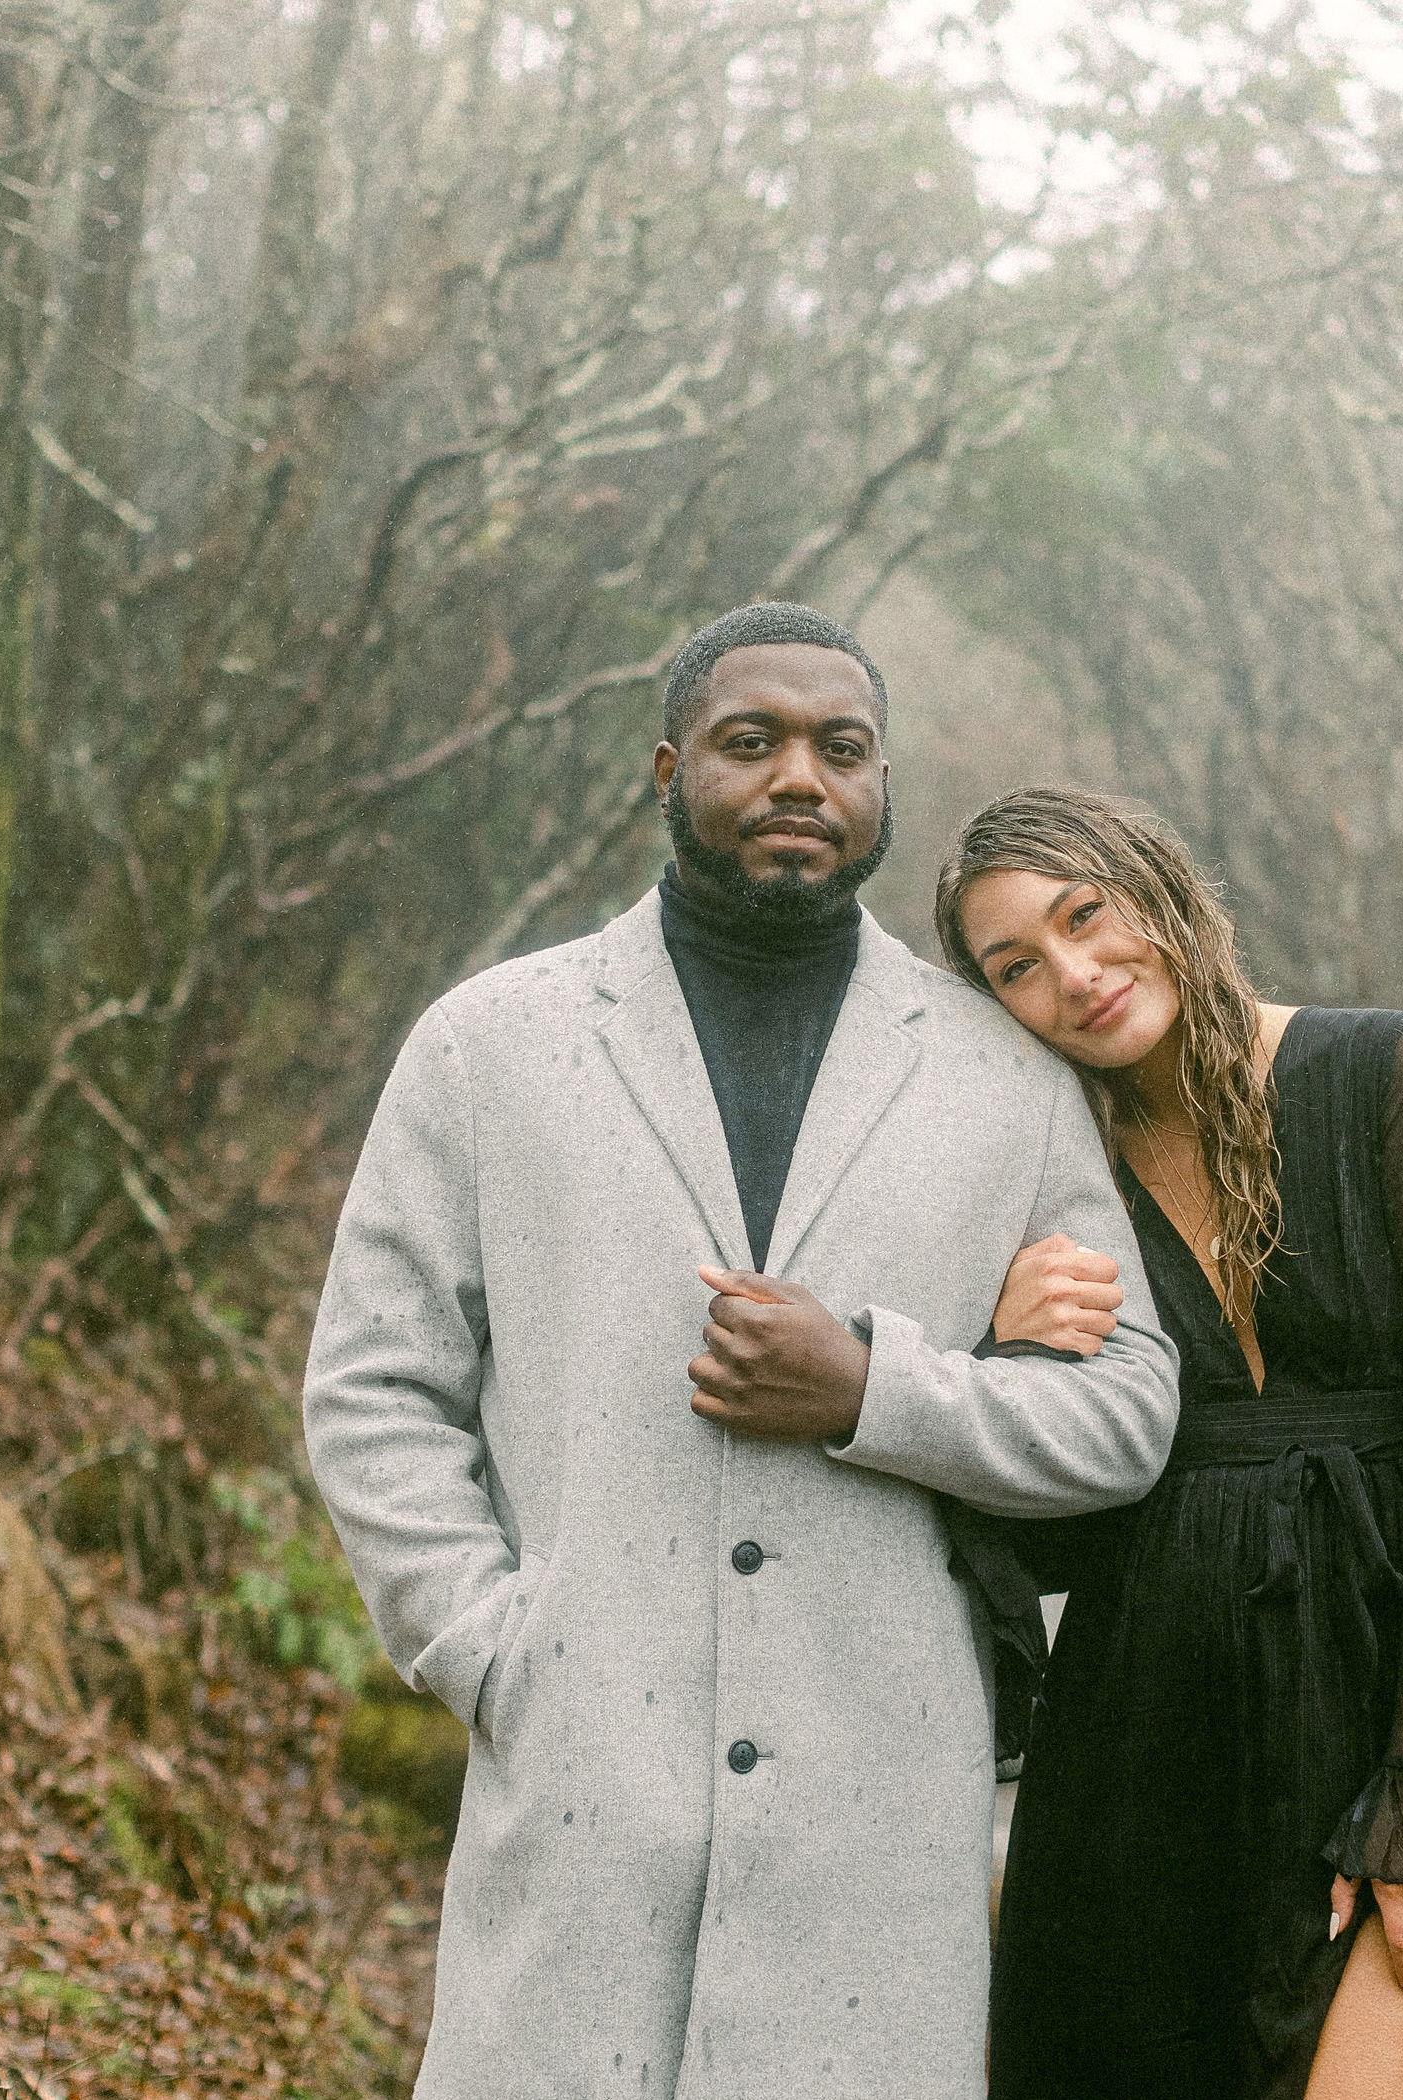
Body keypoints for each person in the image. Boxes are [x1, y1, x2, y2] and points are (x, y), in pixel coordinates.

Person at [301, 610, 1180, 2099]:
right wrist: (494, 1653)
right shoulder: (490, 1044)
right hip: (581, 1787)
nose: (798, 778)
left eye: (841, 749)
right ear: (669, 771)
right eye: (750, 741)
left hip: (881, 1814)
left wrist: (875, 1390)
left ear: (883, 785)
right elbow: (375, 1387)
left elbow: (1129, 1415)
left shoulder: (1004, 1075)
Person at [944, 785, 1403, 2100]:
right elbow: (1043, 1531)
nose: (1073, 975)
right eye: (1017, 967)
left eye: (1084, 915)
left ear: (1158, 890)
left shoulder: (1391, 1076)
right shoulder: (1056, 1178)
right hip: (1132, 1754)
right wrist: (1004, 1355)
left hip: (1373, 1723)